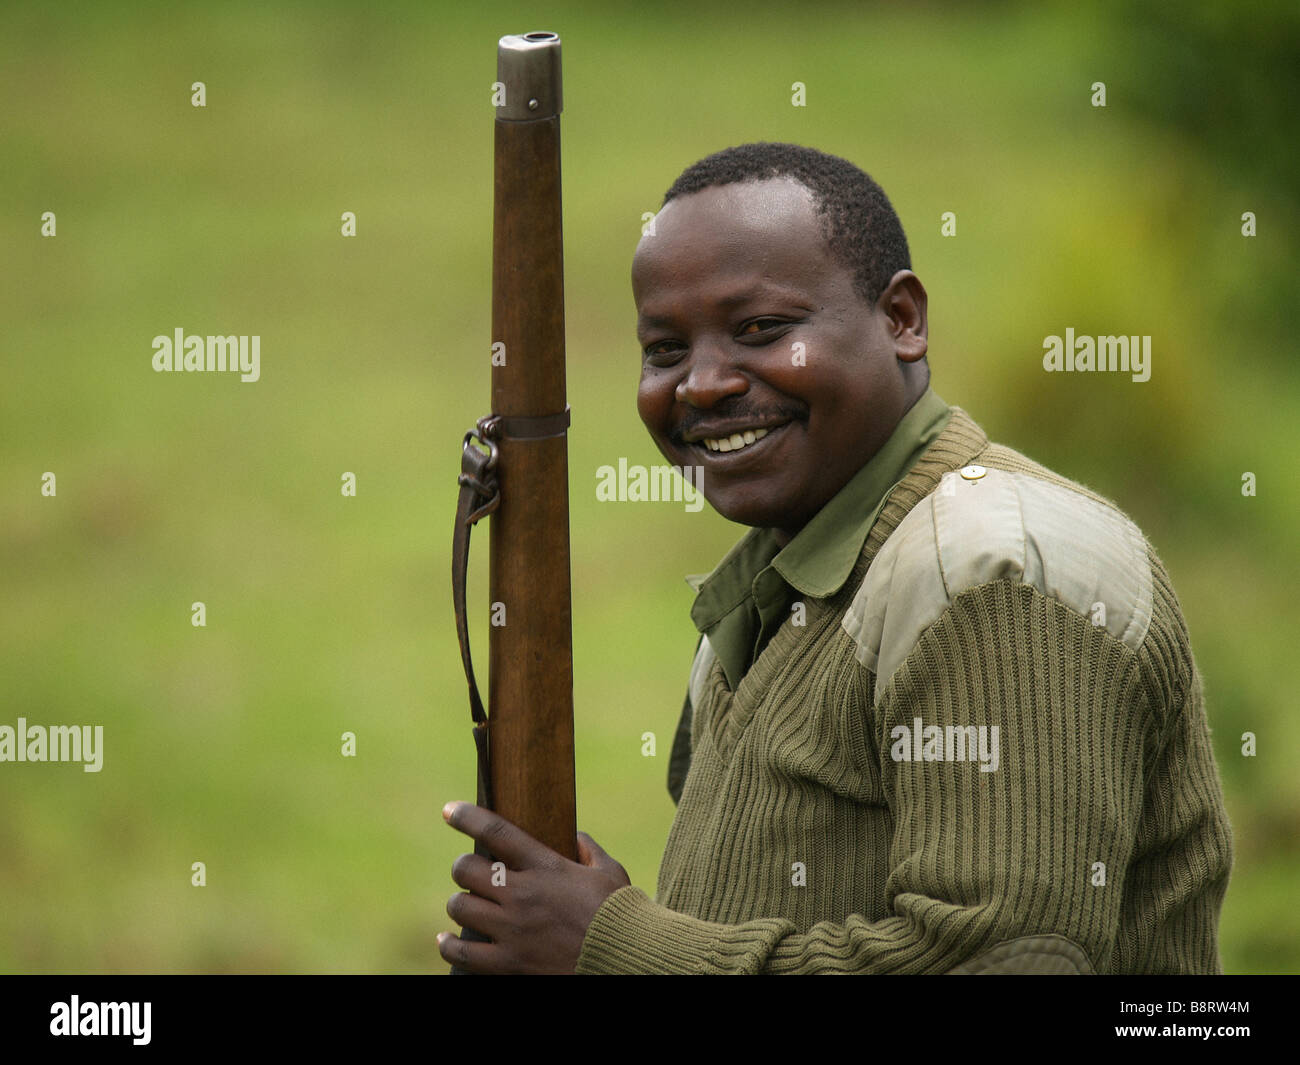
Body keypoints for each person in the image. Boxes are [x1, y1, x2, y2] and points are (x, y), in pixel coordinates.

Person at [438, 142, 1234, 974]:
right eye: (665, 350)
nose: (701, 383)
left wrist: (613, 947)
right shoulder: (779, 585)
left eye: (761, 330)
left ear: (901, 320)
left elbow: (1007, 958)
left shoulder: (992, 573)